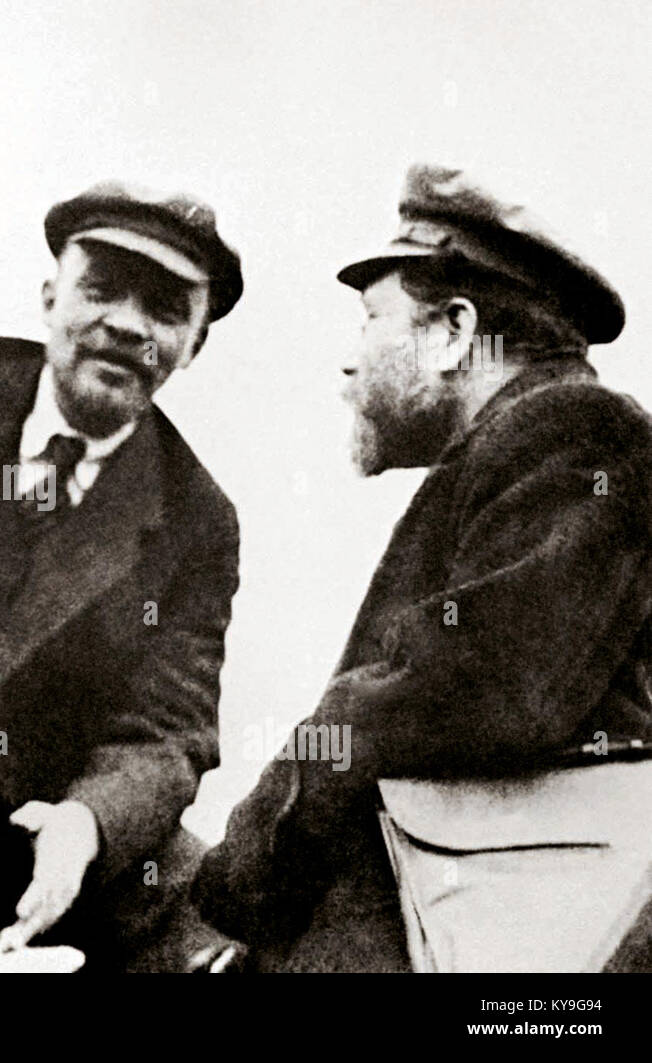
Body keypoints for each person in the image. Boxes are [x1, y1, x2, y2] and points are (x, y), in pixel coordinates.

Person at [192, 163, 652, 972]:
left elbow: (484, 684)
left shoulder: (579, 428)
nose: (349, 364)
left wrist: (254, 850)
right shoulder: (523, 446)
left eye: (370, 318)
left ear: (452, 331)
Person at [0, 182, 243, 971]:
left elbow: (169, 729)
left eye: (166, 310)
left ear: (193, 345)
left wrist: (84, 825)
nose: (128, 324)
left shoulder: (198, 519)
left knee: (222, 929)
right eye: (102, 289)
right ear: (49, 295)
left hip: (25, 869)